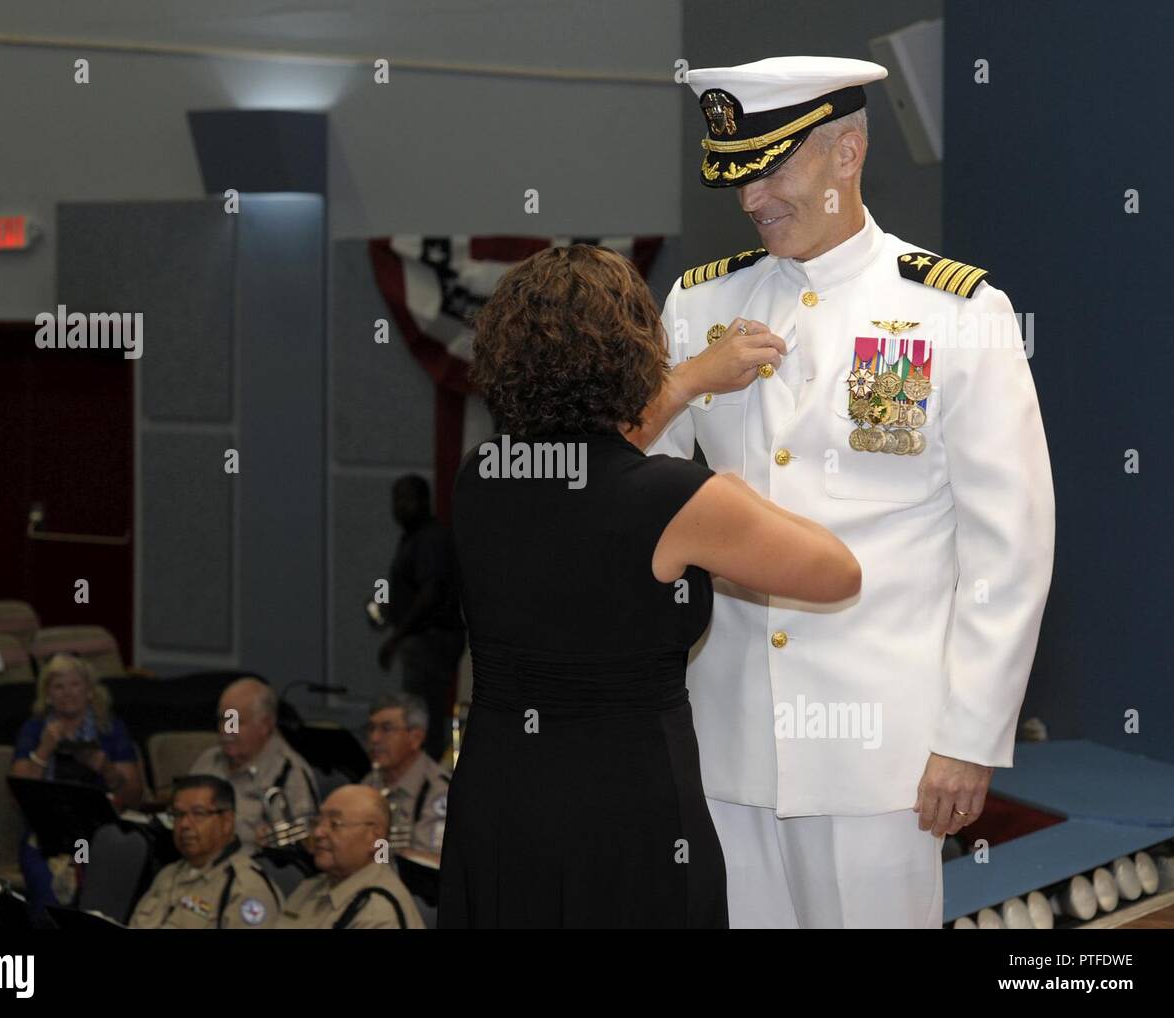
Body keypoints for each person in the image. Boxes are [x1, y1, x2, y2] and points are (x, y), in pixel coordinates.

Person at [642, 56, 1056, 928]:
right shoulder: (697, 304)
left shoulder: (956, 313)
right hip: (731, 739)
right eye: (737, 174)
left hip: (885, 752)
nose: (753, 198)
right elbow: (639, 494)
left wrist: (969, 736)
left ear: (848, 151)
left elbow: (1007, 548)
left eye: (772, 167)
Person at [437, 243, 860, 928]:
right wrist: (735, 491)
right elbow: (839, 570)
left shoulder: (483, 474)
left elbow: (592, 456)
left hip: (498, 796)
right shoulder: (678, 500)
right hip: (626, 813)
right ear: (636, 351)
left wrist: (690, 382)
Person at [10, 653, 143, 911]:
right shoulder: (35, 729)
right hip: (48, 837)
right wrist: (44, 750)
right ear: (47, 695)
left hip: (99, 834)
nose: (67, 693)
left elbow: (135, 797)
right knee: (50, 899)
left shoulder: (110, 729)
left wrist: (106, 768)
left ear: (90, 691)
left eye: (75, 684)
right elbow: (18, 796)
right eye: (58, 686)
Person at [377, 474, 466, 759]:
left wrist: (397, 636)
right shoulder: (412, 538)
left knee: (421, 719)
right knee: (419, 714)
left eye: (406, 499)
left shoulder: (430, 538)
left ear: (424, 501)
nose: (399, 507)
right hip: (422, 641)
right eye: (395, 500)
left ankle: (426, 784)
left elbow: (431, 593)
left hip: (430, 642)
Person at [128, 776, 281, 929]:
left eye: (198, 813)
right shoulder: (169, 874)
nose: (184, 824)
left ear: (227, 821)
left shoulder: (246, 888)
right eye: (178, 814)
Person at [189, 677, 320, 850]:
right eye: (223, 720)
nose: (226, 730)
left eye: (235, 722)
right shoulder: (208, 760)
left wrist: (273, 843)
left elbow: (306, 844)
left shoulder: (290, 773)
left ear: (266, 724)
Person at [278, 785, 425, 929]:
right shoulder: (311, 887)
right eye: (317, 822)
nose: (318, 833)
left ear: (374, 836)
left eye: (334, 824)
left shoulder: (378, 912)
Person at [361, 692, 449, 859]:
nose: (374, 738)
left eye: (386, 729)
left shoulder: (439, 790)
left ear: (415, 737)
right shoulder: (370, 782)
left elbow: (434, 862)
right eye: (371, 728)